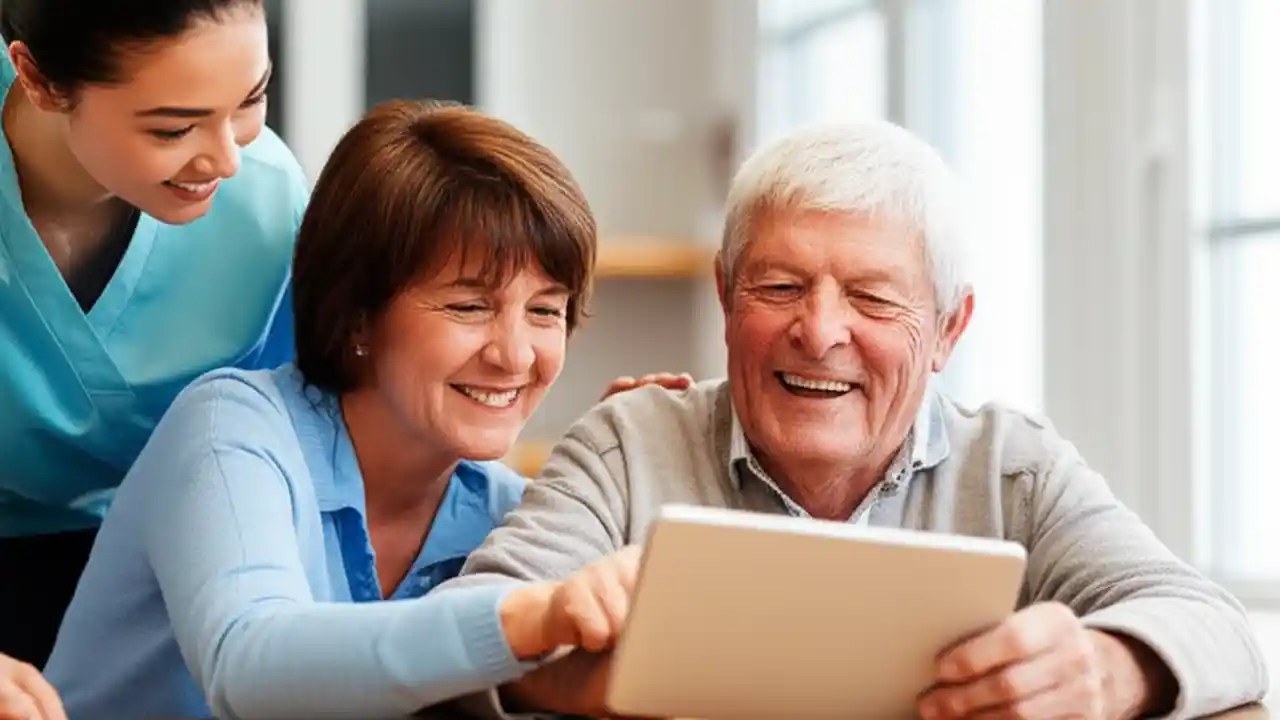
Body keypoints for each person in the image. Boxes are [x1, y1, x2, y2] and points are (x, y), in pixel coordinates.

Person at [445, 121, 1271, 719]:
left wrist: (1105, 670)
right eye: (778, 288)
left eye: (873, 298)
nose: (819, 332)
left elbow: (1214, 627)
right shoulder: (628, 443)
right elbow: (466, 625)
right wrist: (583, 677)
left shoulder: (1013, 466)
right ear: (726, 297)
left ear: (948, 329)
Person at [43, 99, 672, 720]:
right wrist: (529, 617)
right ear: (358, 315)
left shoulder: (509, 516)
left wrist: (620, 491)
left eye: (545, 311)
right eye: (468, 307)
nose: (515, 356)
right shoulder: (230, 431)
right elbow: (248, 666)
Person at [0, 0, 309, 666]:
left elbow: (293, 438)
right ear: (39, 79)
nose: (226, 160)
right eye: (175, 128)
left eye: (251, 100)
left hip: (178, 559)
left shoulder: (267, 206)